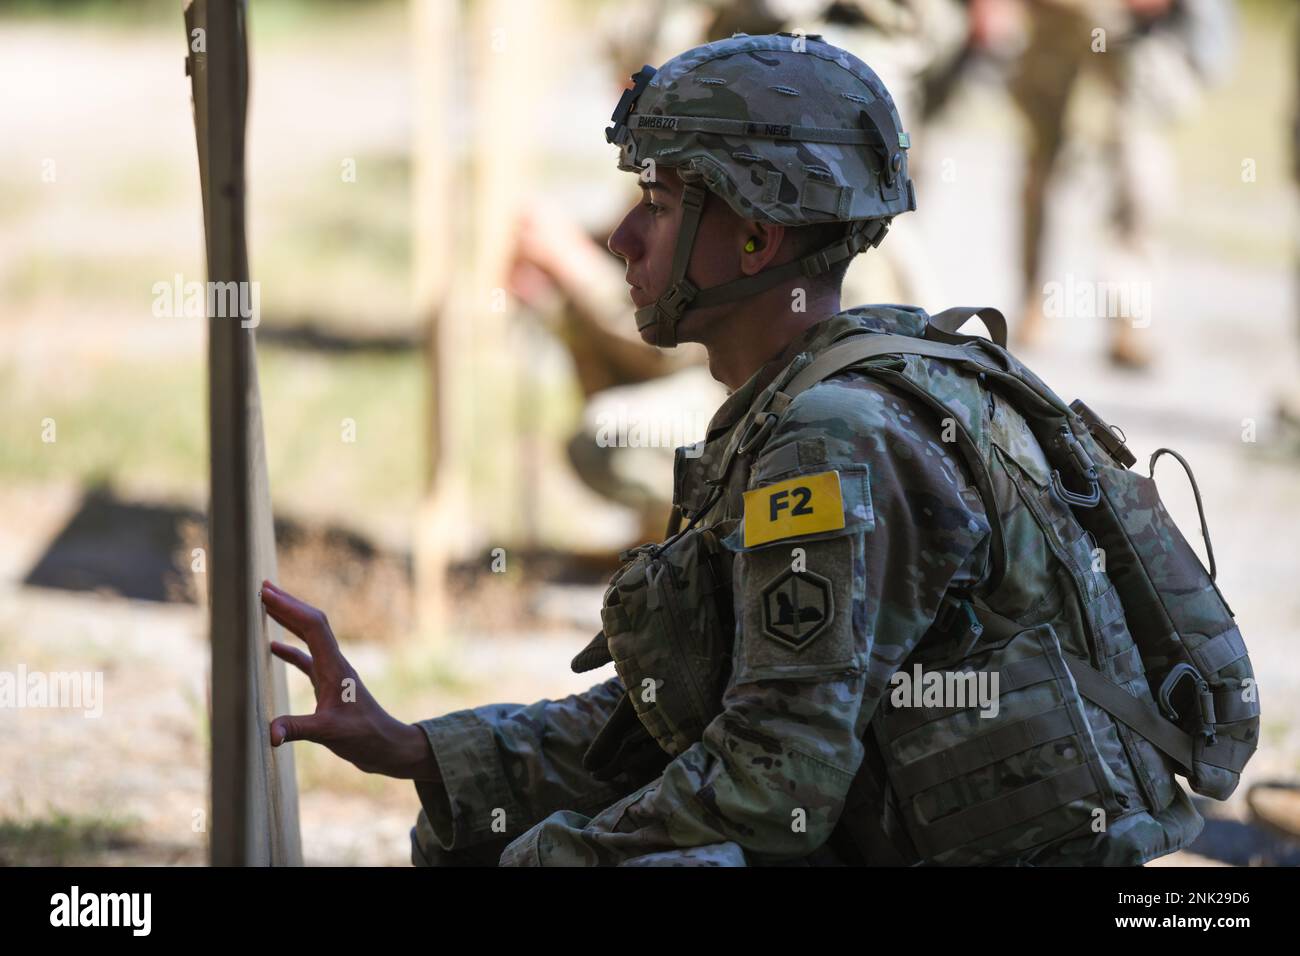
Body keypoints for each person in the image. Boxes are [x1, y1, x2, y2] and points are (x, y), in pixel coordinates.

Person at [260, 32, 1206, 866]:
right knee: (473, 822)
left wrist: (564, 856)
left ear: (755, 238)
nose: (625, 238)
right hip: (906, 817)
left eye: (662, 205)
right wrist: (419, 750)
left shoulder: (832, 441)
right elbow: (694, 712)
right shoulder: (817, 391)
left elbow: (774, 787)